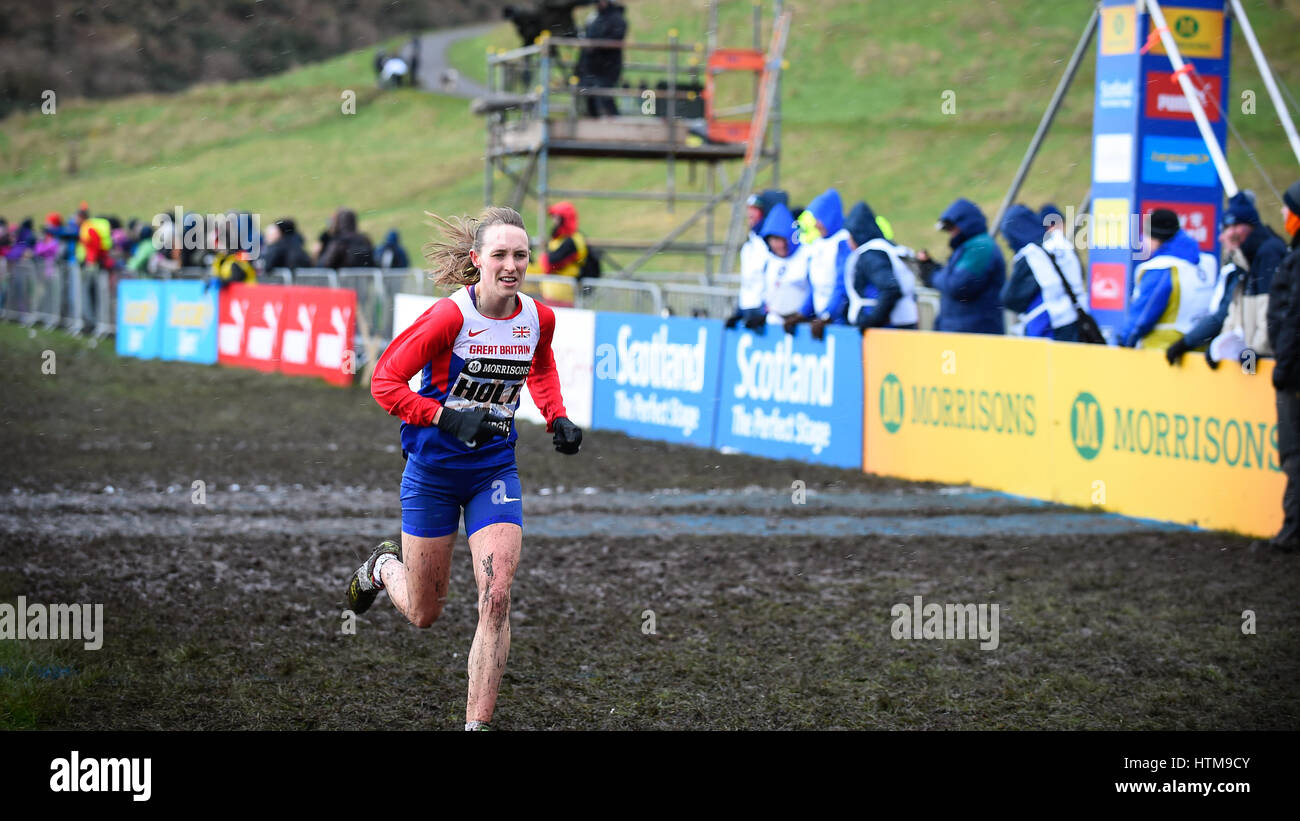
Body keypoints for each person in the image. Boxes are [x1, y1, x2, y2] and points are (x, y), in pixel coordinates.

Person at [346, 205, 583, 730]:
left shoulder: (538, 318)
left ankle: (476, 726)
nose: (511, 265)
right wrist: (444, 418)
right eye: (499, 254)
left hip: (493, 472)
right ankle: (384, 567)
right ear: (477, 260)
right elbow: (385, 382)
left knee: (496, 596)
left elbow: (540, 365)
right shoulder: (449, 317)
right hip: (431, 472)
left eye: (520, 255)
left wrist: (557, 415)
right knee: (425, 613)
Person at [1168, 191, 1285, 366]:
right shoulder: (1244, 258)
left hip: (1269, 359)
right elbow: (1234, 311)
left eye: (1225, 229)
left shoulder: (1268, 253)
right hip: (1255, 358)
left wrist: (1256, 352)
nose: (1221, 237)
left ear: (1240, 228)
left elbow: (1269, 311)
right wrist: (1220, 346)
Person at [1263, 179, 1300, 552]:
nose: (1284, 216)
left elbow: (1294, 319)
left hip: (1294, 374)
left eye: (1288, 209)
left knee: (1293, 455)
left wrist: (1284, 367)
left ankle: (1291, 533)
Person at [1119, 208, 1215, 350]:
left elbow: (1143, 316)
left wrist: (1124, 341)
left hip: (1163, 353)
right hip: (1199, 349)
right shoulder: (1206, 262)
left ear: (1154, 237)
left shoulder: (1160, 268)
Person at [917, 198, 1005, 335]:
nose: (951, 233)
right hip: (964, 331)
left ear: (965, 223)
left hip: (974, 334)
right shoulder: (971, 246)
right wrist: (934, 269)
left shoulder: (980, 247)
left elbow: (958, 285)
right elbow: (953, 278)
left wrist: (933, 275)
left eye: (952, 227)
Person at [999, 204, 1084, 341]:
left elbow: (1010, 297)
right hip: (1077, 318)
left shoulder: (1031, 254)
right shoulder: (1062, 244)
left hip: (1049, 327)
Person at [843, 199, 918, 331]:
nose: (849, 241)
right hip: (905, 320)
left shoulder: (871, 253)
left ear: (857, 232)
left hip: (888, 327)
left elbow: (890, 288)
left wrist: (871, 322)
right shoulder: (888, 246)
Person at [791, 188, 850, 340]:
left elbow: (841, 284)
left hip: (838, 322)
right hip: (820, 320)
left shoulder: (842, 242)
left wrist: (829, 316)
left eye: (820, 219)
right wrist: (803, 313)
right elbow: (814, 285)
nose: (816, 224)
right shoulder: (817, 244)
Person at [726, 189, 787, 331]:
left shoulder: (767, 245)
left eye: (755, 210)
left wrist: (764, 312)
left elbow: (770, 280)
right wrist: (739, 311)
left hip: (762, 311)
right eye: (749, 209)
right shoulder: (749, 245)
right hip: (747, 307)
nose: (750, 214)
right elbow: (746, 281)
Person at [759, 202, 810, 331]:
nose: (777, 245)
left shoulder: (805, 256)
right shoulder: (770, 261)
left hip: (799, 323)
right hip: (775, 320)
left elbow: (813, 290)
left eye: (779, 240)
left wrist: (802, 315)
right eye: (773, 241)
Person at [576, 0, 626, 118]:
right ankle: (595, 126)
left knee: (605, 99)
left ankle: (616, 124)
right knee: (590, 99)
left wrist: (595, 45)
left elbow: (615, 38)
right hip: (591, 68)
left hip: (606, 68)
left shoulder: (616, 19)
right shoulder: (595, 18)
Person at [535, 200, 588, 304]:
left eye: (557, 217)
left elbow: (550, 263)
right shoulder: (560, 238)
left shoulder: (572, 240)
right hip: (552, 293)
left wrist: (544, 257)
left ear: (565, 219)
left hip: (563, 295)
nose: (554, 221)